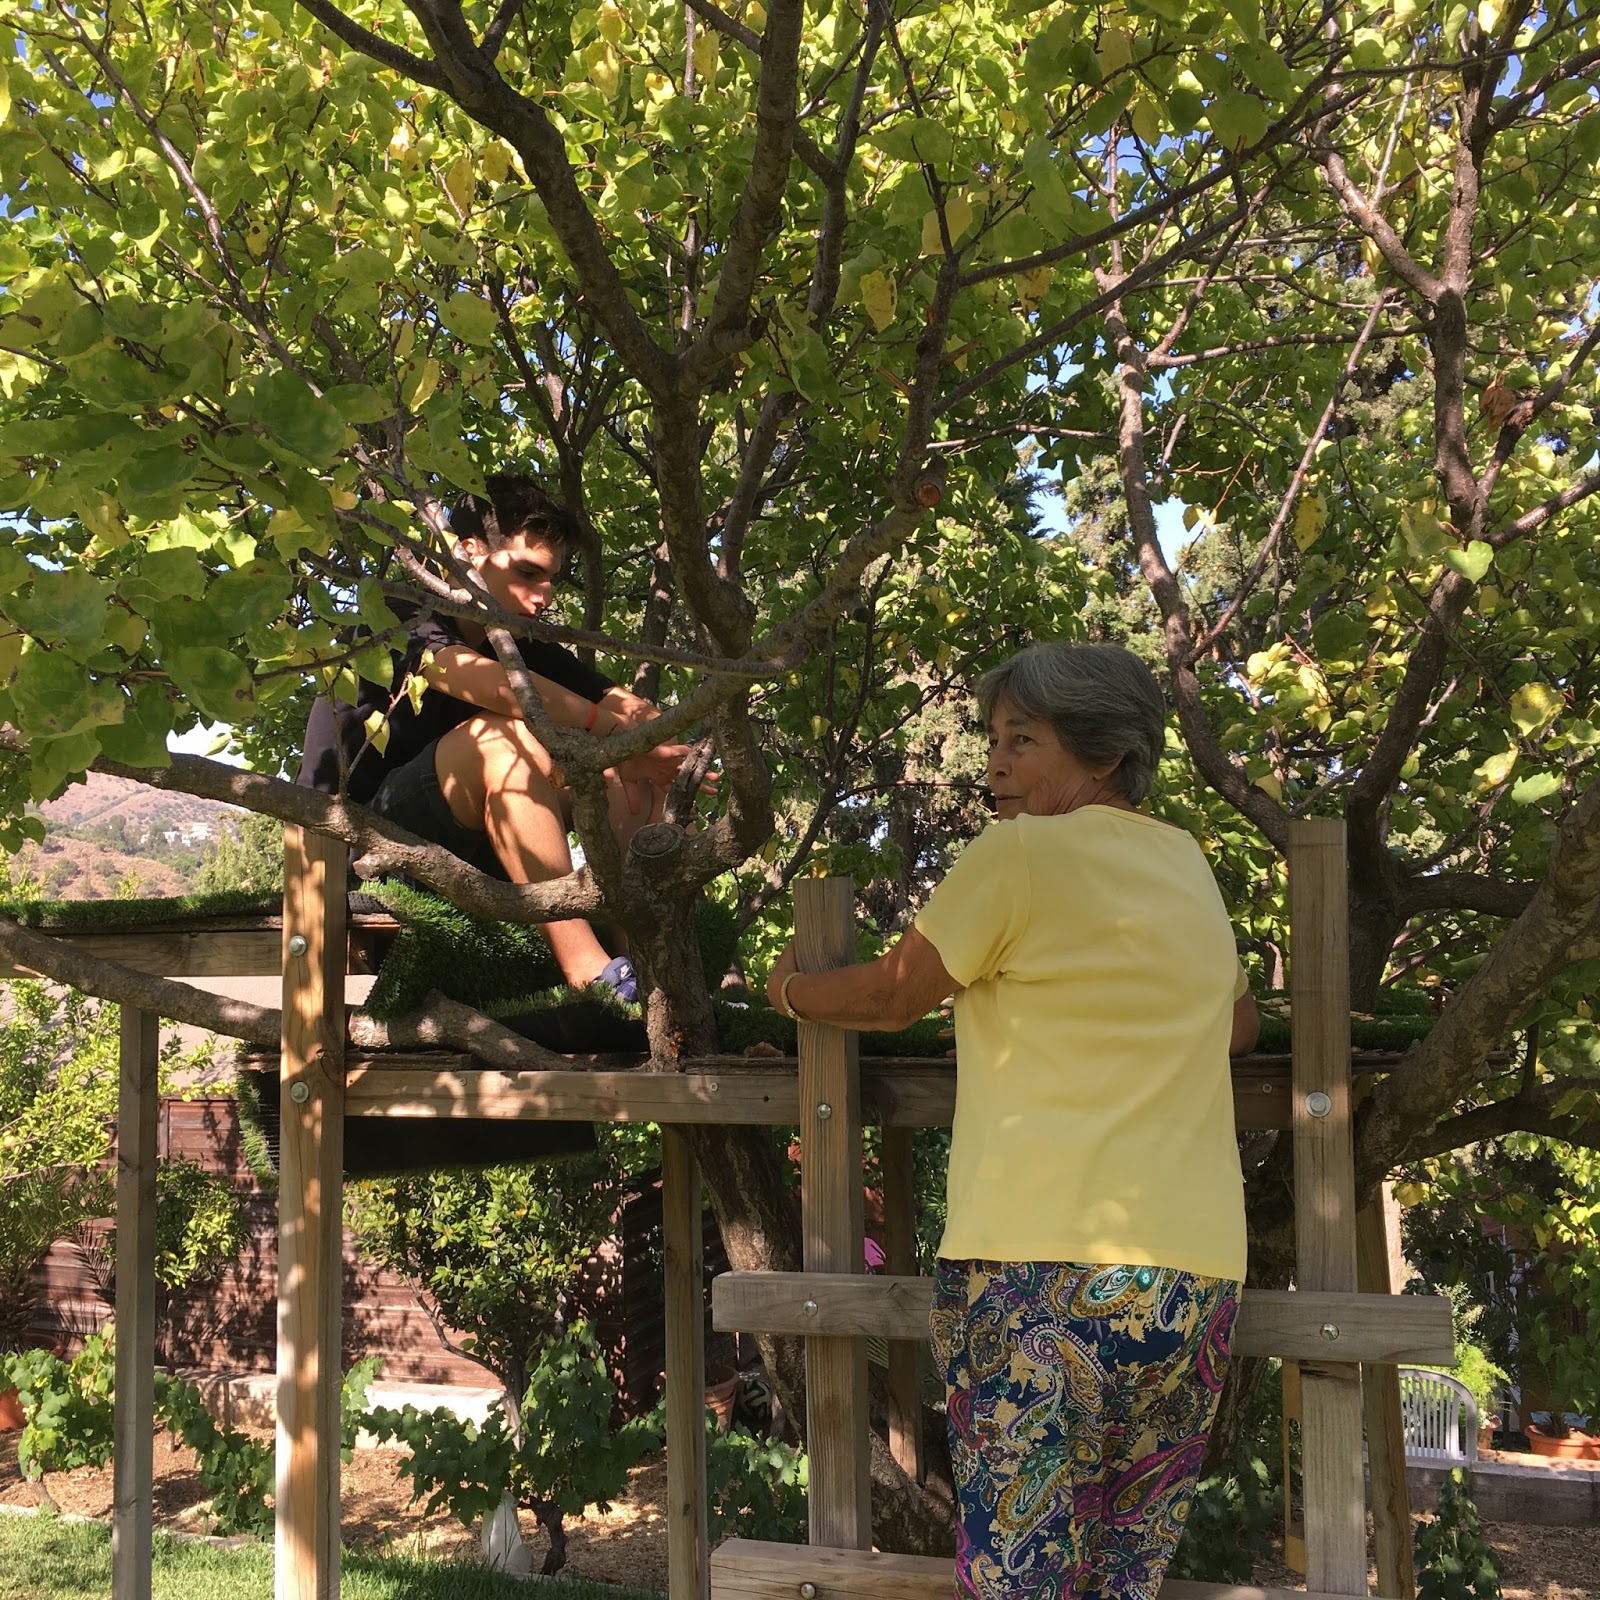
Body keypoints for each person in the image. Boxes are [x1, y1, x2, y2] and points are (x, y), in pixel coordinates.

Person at [764, 641, 1259, 1600]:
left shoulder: (1019, 854)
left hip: (1035, 1275)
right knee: (1120, 1576)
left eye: (1022, 741)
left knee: (1020, 1578)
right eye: (994, 739)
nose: (995, 765)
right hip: (1192, 1281)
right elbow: (1238, 1027)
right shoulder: (1187, 863)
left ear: (1104, 754)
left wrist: (788, 989)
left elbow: (893, 994)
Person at [298, 472, 693, 1002]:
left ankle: (652, 966)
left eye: (551, 579)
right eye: (527, 572)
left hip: (467, 854)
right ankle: (591, 976)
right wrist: (613, 733)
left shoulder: (511, 640)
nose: (543, 596)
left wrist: (651, 745)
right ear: (468, 552)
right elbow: (493, 686)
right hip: (358, 854)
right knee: (504, 739)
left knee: (627, 765)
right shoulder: (396, 614)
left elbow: (630, 708)